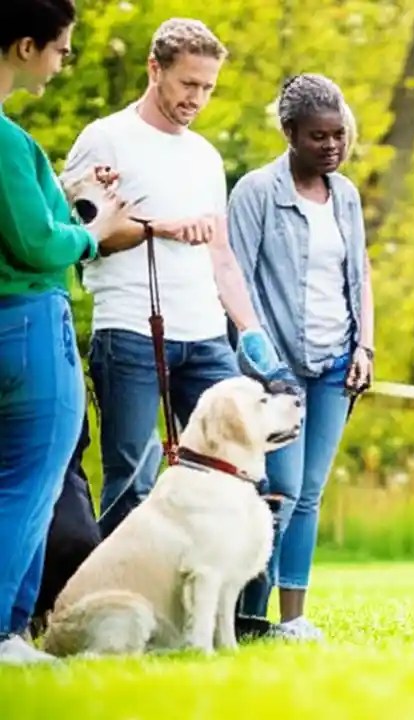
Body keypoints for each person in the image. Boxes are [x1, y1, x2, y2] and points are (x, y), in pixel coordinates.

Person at [60, 18, 282, 537]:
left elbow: (222, 256)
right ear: (154, 69)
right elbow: (84, 237)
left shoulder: (204, 155)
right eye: (188, 84)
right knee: (135, 477)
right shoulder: (105, 139)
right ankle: (110, 602)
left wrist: (250, 331)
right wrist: (159, 228)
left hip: (205, 336)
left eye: (207, 87)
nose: (197, 98)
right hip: (131, 331)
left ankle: (222, 608)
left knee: (237, 466)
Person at [0, 0, 135, 664]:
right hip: (26, 325)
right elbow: (35, 243)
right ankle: (4, 630)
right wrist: (95, 231)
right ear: (26, 45)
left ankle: (17, 630)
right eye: (62, 50)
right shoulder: (4, 138)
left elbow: (22, 214)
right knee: (32, 480)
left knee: (25, 479)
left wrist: (68, 189)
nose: (62, 63)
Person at [230, 74, 374, 641]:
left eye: (339, 135)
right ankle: (247, 613)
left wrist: (365, 345)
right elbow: (235, 277)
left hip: (337, 362)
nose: (333, 146)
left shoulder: (347, 196)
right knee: (278, 491)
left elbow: (359, 275)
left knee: (309, 492)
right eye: (319, 136)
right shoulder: (256, 192)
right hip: (276, 371)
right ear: (290, 132)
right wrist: (264, 362)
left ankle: (293, 619)